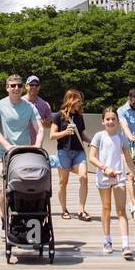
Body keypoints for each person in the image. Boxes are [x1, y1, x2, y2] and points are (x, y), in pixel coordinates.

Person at [0, 74, 44, 238]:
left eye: (19, 86)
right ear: (7, 88)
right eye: (12, 86)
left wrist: (37, 146)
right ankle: (4, 217)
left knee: (26, 188)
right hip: (4, 154)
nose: (16, 88)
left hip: (25, 154)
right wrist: (7, 146)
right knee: (3, 192)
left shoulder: (29, 107)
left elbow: (40, 128)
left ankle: (26, 220)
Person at [87, 107, 135, 259]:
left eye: (113, 119)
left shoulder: (122, 138)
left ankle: (125, 244)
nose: (110, 121)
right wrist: (105, 168)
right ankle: (107, 240)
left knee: (121, 210)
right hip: (104, 176)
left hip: (119, 177)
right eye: (107, 119)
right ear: (103, 121)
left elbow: (128, 159)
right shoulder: (99, 136)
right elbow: (92, 157)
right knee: (106, 208)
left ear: (117, 121)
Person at [51, 88, 90, 221]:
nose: (80, 102)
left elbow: (81, 134)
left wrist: (92, 142)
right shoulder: (58, 116)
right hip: (64, 152)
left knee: (84, 177)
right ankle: (64, 210)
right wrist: (65, 132)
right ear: (71, 99)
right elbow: (52, 135)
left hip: (78, 151)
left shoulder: (79, 116)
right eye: (78, 100)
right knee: (63, 182)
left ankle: (81, 210)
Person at [24, 75, 54, 150]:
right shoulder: (19, 102)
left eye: (36, 85)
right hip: (19, 144)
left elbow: (50, 125)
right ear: (26, 86)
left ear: (39, 87)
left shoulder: (45, 104)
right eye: (31, 85)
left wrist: (45, 124)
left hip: (36, 144)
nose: (34, 87)